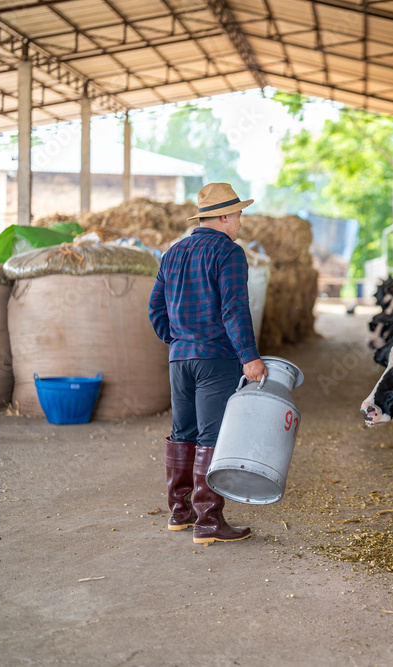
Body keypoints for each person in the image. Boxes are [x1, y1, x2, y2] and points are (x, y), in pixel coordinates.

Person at [148, 182, 267, 544]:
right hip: (215, 359)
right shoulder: (229, 253)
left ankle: (180, 512)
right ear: (224, 216)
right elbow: (234, 308)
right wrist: (249, 356)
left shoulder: (173, 253)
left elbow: (156, 308)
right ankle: (209, 522)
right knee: (212, 437)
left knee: (183, 433)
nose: (242, 223)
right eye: (239, 215)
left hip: (180, 359)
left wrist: (179, 340)